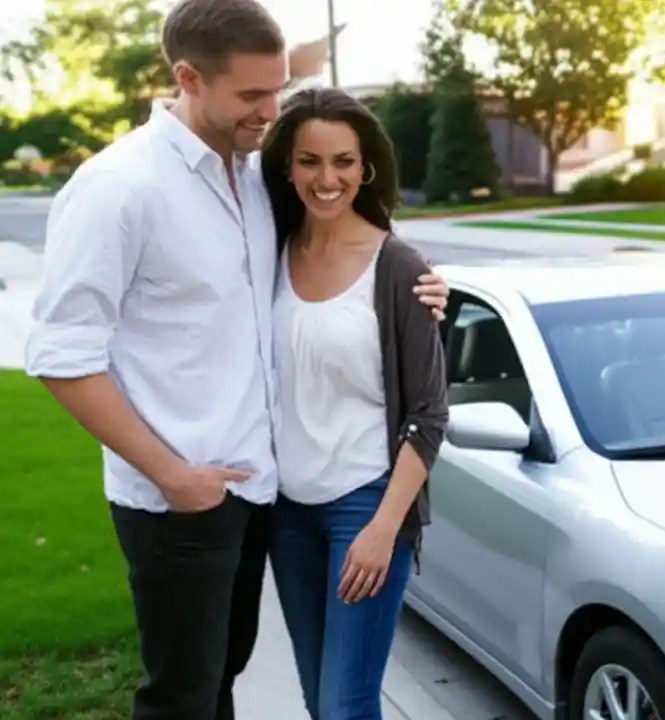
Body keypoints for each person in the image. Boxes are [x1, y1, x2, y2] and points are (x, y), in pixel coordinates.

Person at [22, 1, 449, 718]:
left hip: (257, 492)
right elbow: (61, 355)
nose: (269, 111)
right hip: (178, 497)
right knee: (183, 696)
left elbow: (339, 223)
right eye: (252, 95)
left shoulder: (252, 178)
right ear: (188, 78)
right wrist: (172, 476)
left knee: (224, 675)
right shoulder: (120, 187)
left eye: (276, 89)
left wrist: (421, 286)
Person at [257, 87, 449, 719]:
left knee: (346, 705)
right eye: (310, 161)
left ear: (364, 168)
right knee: (320, 700)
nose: (327, 178)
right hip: (288, 513)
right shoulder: (272, 252)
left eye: (343, 161)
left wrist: (383, 530)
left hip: (365, 505)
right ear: (288, 166)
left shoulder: (398, 269)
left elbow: (427, 415)